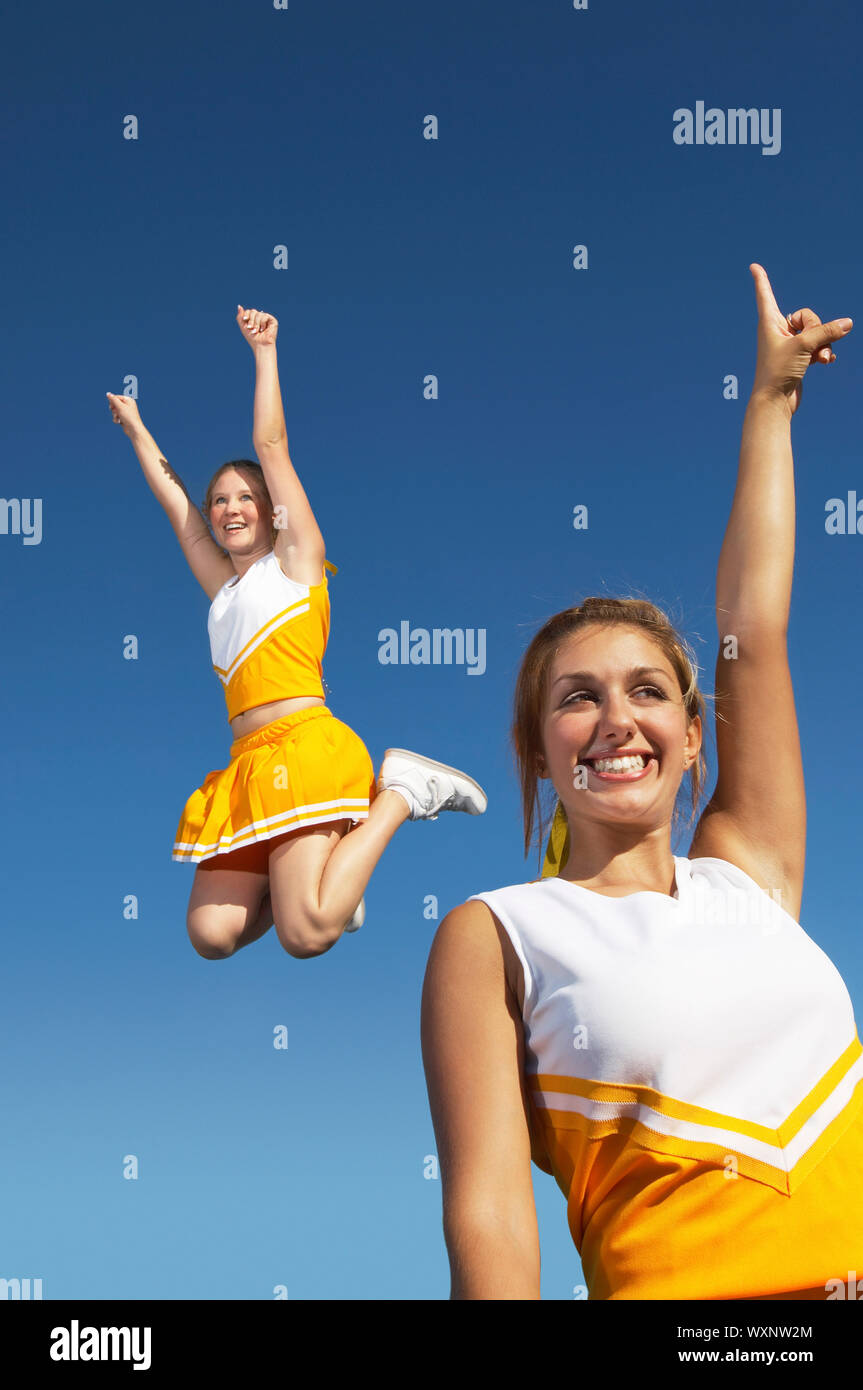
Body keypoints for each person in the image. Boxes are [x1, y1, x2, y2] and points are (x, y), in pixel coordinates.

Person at [421, 264, 863, 1300]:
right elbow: (488, 1213)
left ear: (693, 733)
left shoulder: (748, 873)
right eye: (576, 698)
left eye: (646, 692)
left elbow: (751, 629)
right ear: (537, 750)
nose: (617, 719)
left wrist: (769, 401)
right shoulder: (498, 932)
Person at [106, 304, 486, 962]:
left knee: (305, 935)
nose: (228, 508)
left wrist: (264, 352)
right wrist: (138, 430)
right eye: (219, 499)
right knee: (212, 936)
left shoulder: (297, 563)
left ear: (270, 511)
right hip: (247, 764)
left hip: (306, 749)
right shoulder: (222, 588)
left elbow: (271, 447)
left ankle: (400, 792)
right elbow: (174, 505)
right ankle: (323, 875)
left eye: (244, 497)